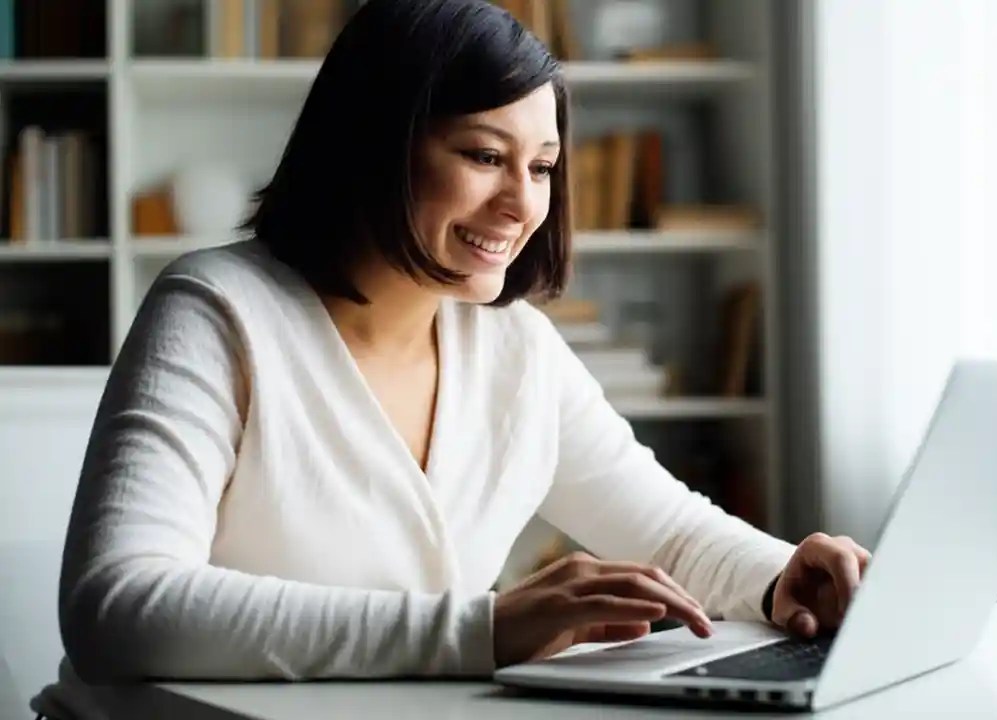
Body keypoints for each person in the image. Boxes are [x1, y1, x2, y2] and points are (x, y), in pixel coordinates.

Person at [33, 0, 870, 717]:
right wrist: (484, 629)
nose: (521, 203)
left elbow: (673, 533)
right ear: (376, 144)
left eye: (541, 166)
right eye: (482, 156)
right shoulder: (218, 309)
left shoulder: (513, 349)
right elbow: (120, 605)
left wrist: (781, 579)